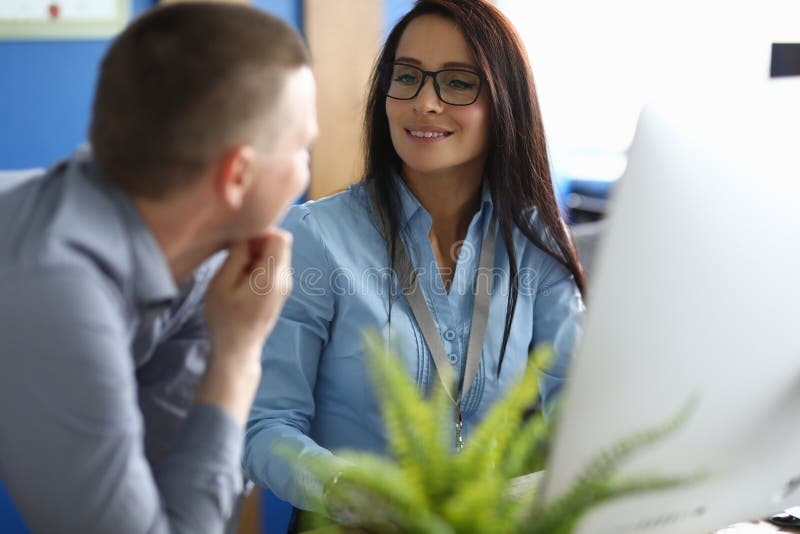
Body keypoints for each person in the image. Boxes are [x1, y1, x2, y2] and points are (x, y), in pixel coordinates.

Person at [243, 0, 585, 520]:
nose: (424, 102)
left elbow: (579, 410)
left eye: (456, 82)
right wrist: (356, 497)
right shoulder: (316, 238)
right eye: (407, 77)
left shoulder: (535, 240)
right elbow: (267, 427)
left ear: (504, 100)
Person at [0, 3, 317, 533]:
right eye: (303, 146)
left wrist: (226, 347)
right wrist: (236, 358)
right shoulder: (55, 287)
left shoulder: (201, 270)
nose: (305, 168)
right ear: (238, 175)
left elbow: (179, 503)